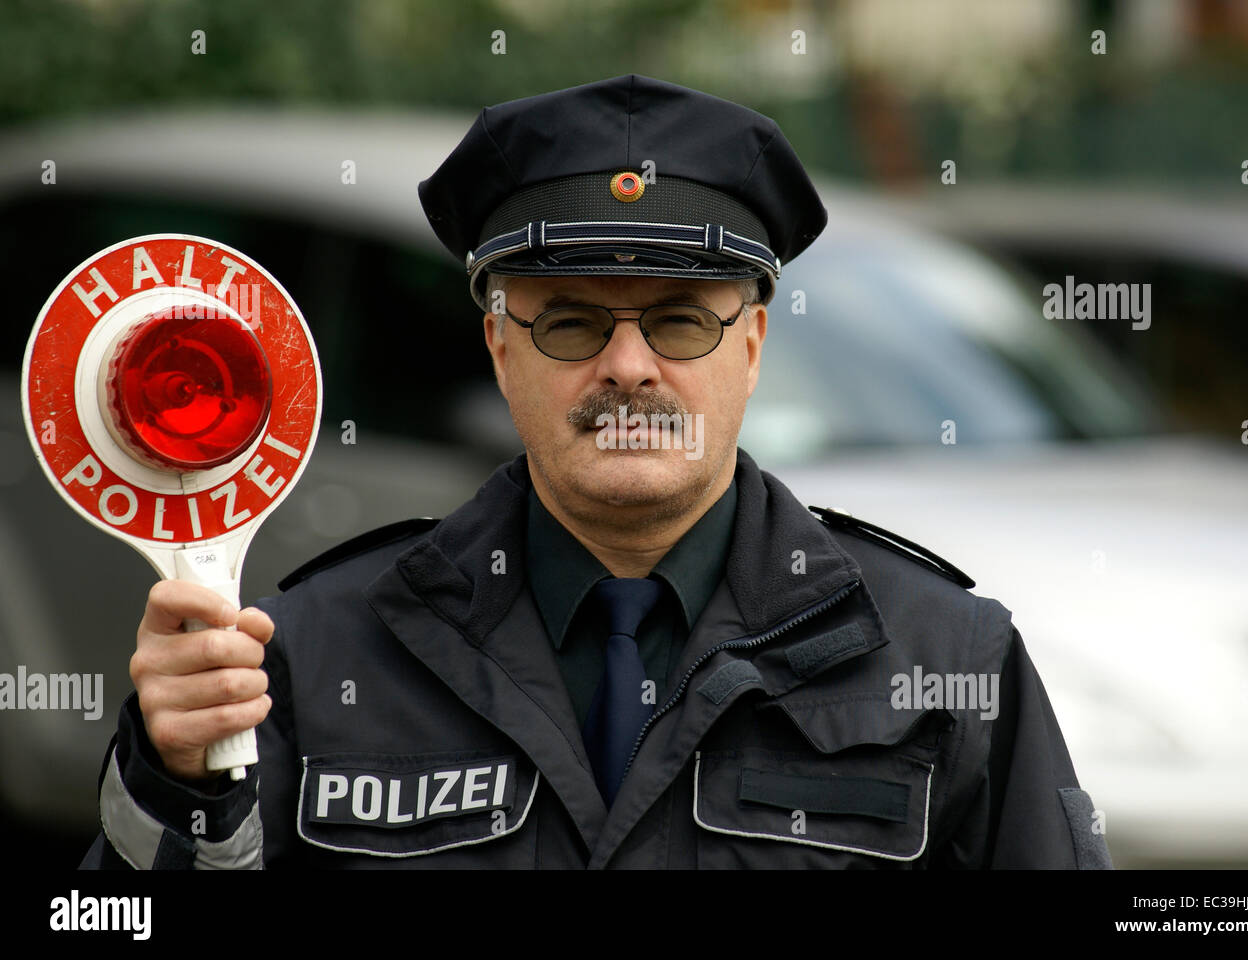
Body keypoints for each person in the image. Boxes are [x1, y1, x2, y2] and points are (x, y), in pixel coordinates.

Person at [81, 73, 1110, 869]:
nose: (627, 367)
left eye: (678, 321)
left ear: (750, 347)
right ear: (499, 349)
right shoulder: (307, 655)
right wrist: (178, 781)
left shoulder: (947, 660)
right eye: (569, 321)